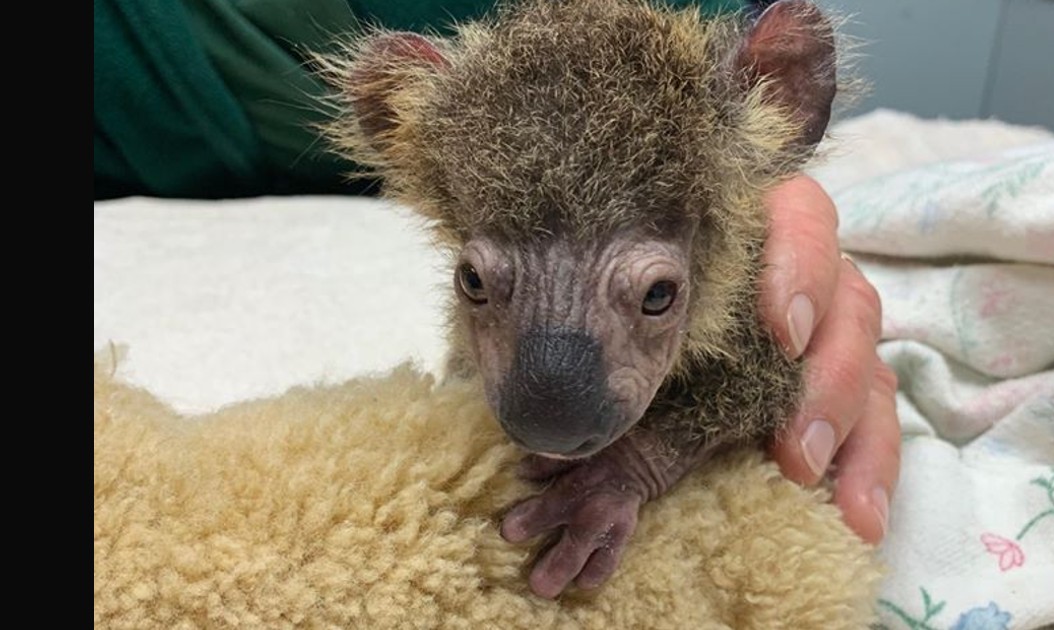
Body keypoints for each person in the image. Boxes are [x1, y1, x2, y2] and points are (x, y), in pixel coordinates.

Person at [94, 0, 900, 544]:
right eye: (476, 283)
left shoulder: (729, 221)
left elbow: (758, 384)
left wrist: (639, 464)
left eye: (656, 294)